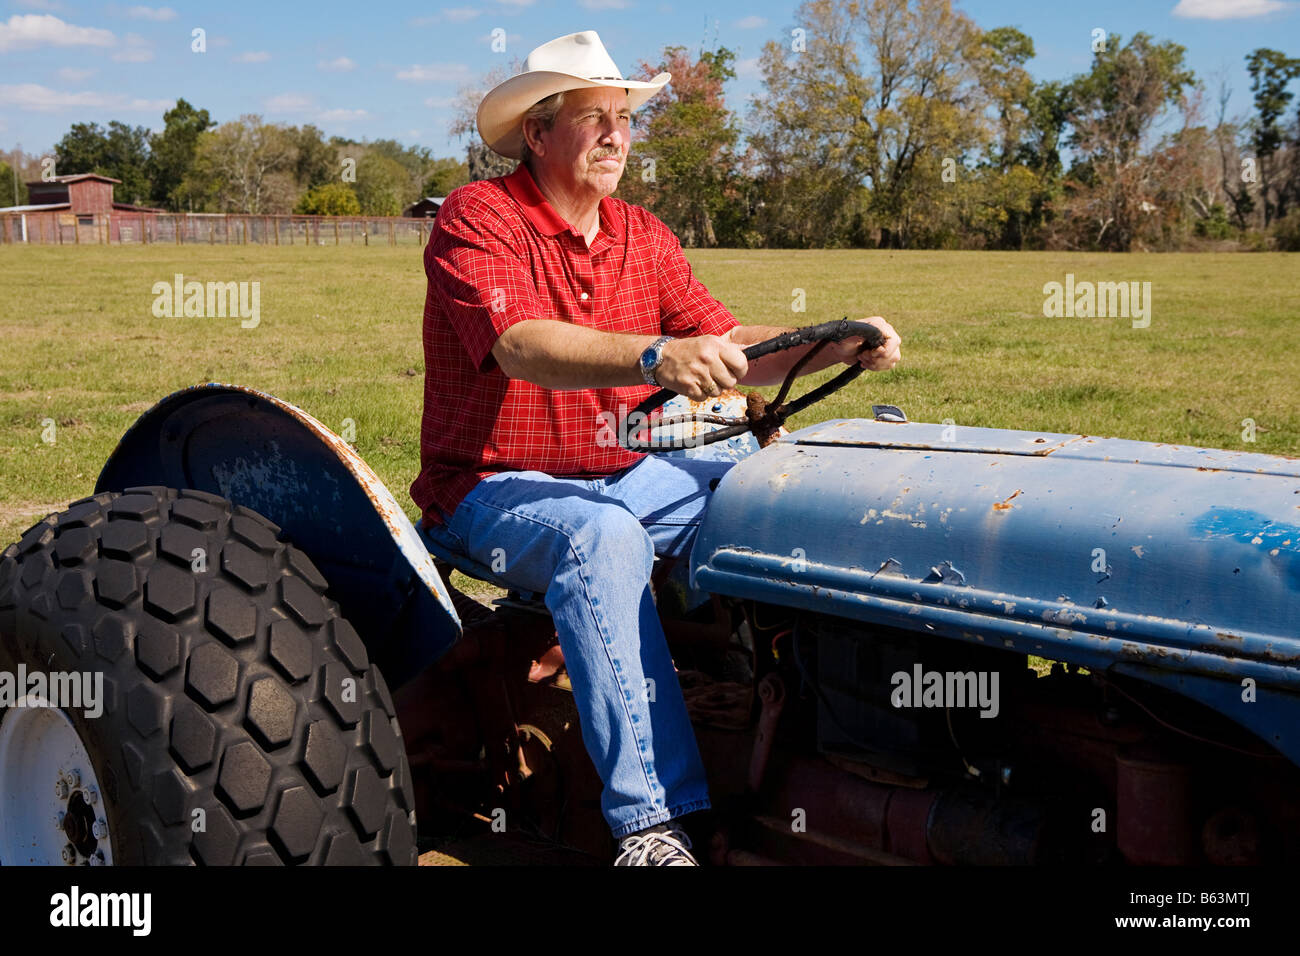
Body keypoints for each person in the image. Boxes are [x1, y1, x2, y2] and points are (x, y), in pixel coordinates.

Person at [409, 30, 901, 865]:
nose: (615, 136)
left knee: (770, 482)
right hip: (491, 489)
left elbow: (725, 340)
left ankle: (791, 714)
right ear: (537, 132)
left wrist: (832, 344)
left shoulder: (642, 233)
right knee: (603, 538)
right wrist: (651, 354)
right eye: (594, 118)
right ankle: (651, 825)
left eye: (624, 119)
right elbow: (519, 342)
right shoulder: (480, 218)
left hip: (622, 472)